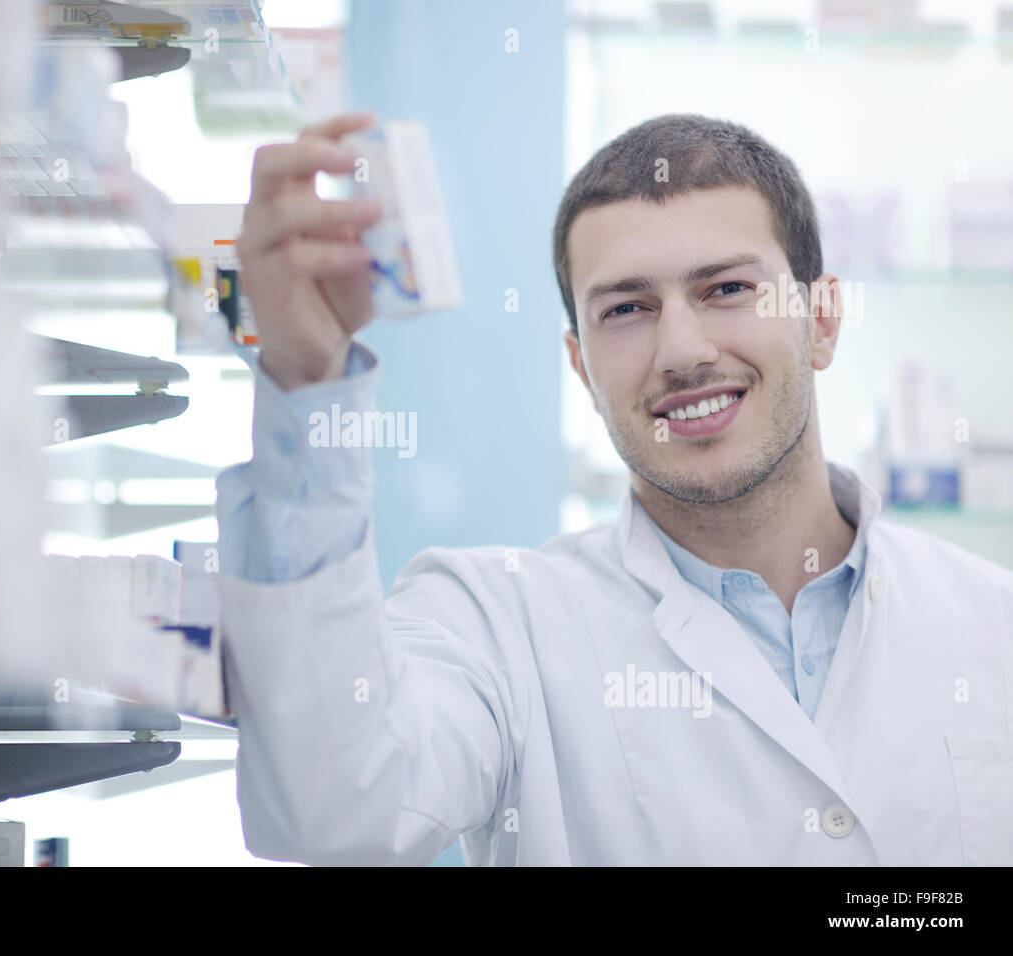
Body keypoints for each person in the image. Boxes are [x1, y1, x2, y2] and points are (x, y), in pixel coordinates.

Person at [216, 111, 1013, 865]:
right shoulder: (496, 623)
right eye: (627, 308)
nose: (681, 350)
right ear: (581, 368)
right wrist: (307, 381)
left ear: (823, 320)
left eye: (726, 289)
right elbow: (333, 807)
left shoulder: (989, 622)